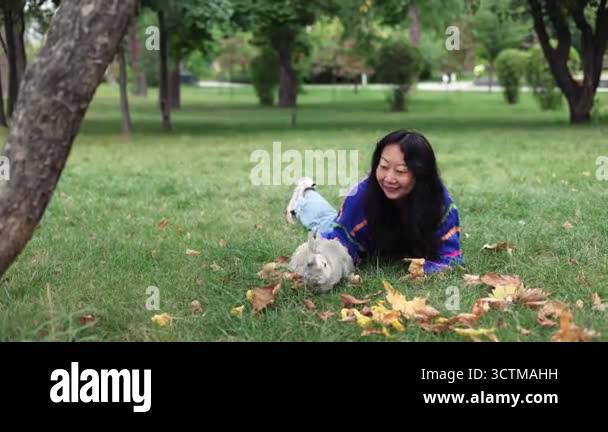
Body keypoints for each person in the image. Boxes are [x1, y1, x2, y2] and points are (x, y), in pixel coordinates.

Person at [285, 130, 463, 273]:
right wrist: (323, 262)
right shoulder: (360, 199)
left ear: (421, 174)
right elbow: (340, 244)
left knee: (326, 217)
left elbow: (452, 260)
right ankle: (304, 195)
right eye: (383, 167)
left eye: (400, 171)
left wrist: (423, 269)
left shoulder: (439, 204)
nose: (389, 178)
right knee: (323, 222)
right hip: (352, 231)